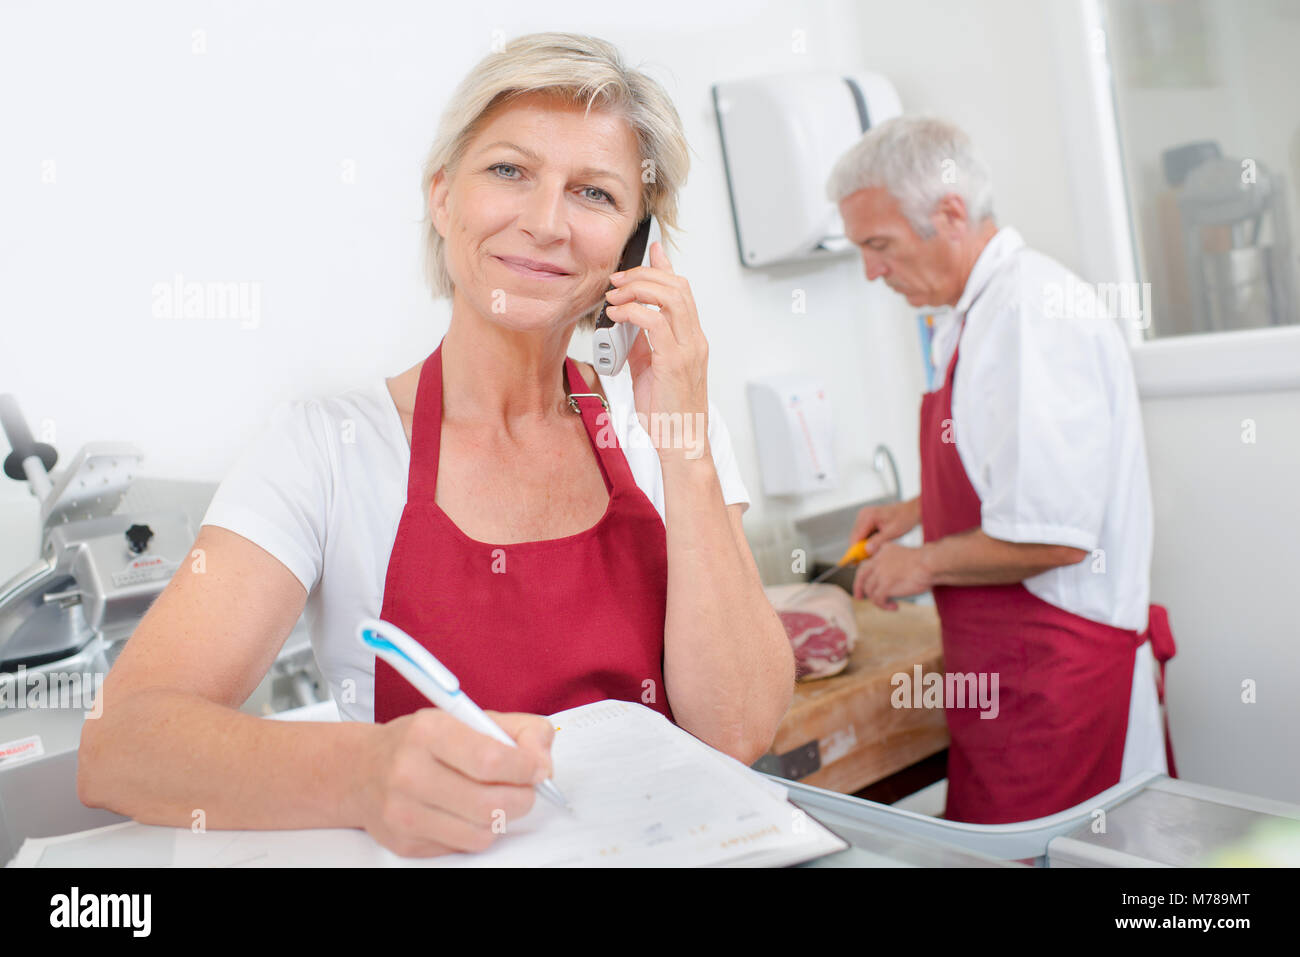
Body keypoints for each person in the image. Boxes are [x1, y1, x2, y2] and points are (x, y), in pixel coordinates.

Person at [79, 32, 795, 858]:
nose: (545, 222)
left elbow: (739, 727)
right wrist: (363, 770)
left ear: (633, 251)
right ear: (443, 195)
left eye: (594, 194)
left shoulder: (662, 425)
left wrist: (687, 443)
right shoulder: (324, 448)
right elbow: (121, 745)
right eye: (509, 171)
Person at [825, 116, 1176, 825]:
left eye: (879, 245)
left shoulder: (1030, 316)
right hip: (1015, 679)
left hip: (1059, 683)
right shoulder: (978, 311)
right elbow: (1013, 463)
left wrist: (919, 564)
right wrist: (916, 510)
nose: (871, 271)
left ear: (950, 213)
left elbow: (1057, 536)